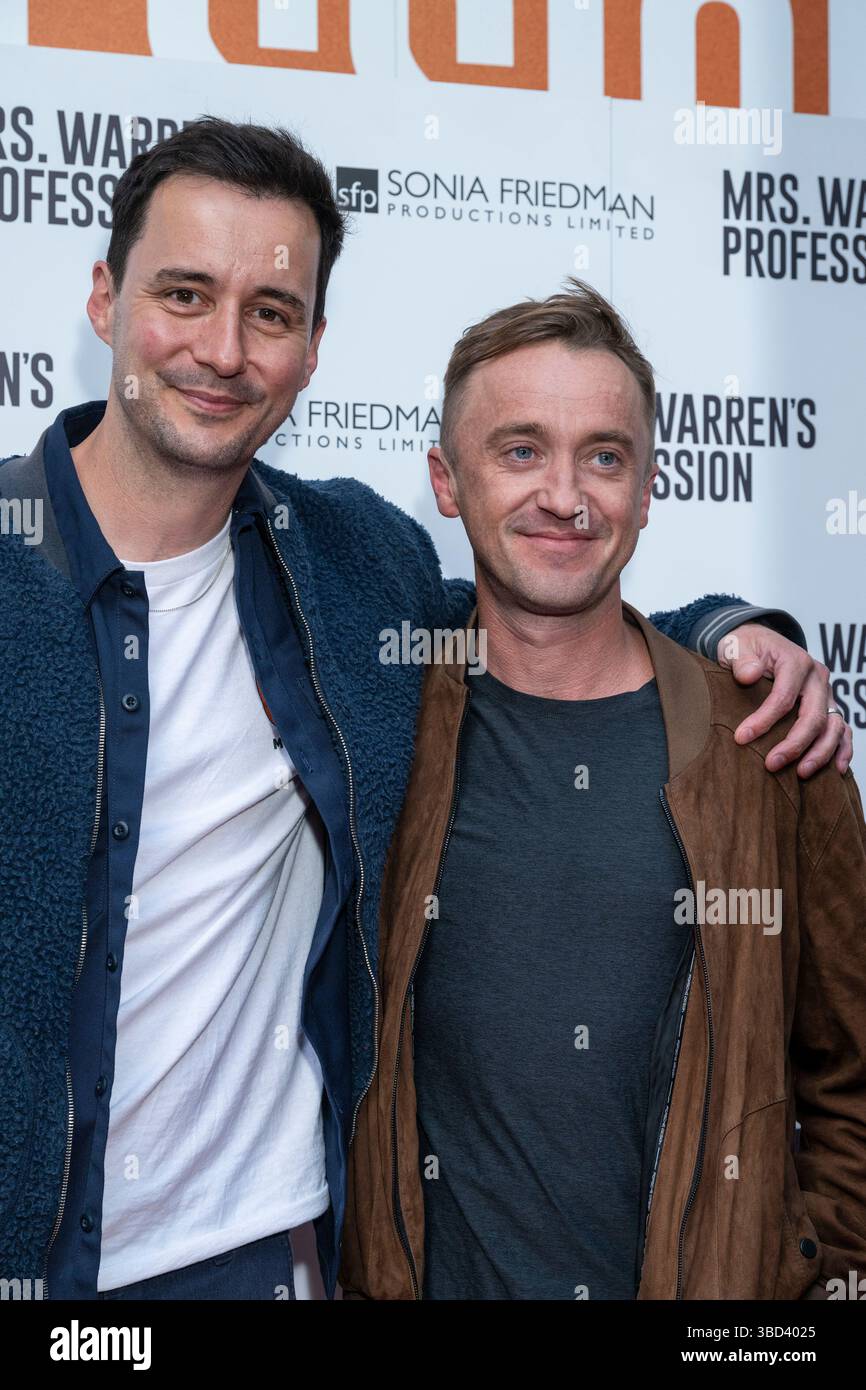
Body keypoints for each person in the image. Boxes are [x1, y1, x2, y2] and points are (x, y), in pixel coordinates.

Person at [0, 119, 849, 1303]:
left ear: (311, 349)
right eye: (183, 294)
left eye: (272, 312)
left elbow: (539, 598)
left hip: (258, 1258)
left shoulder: (347, 570)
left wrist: (730, 630)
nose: (221, 350)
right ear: (103, 298)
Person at [340, 278, 866, 1301]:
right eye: (520, 449)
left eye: (604, 456)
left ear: (648, 485)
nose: (565, 496)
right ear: (446, 482)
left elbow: (849, 1074)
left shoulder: (765, 743)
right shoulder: (380, 716)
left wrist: (790, 1261)